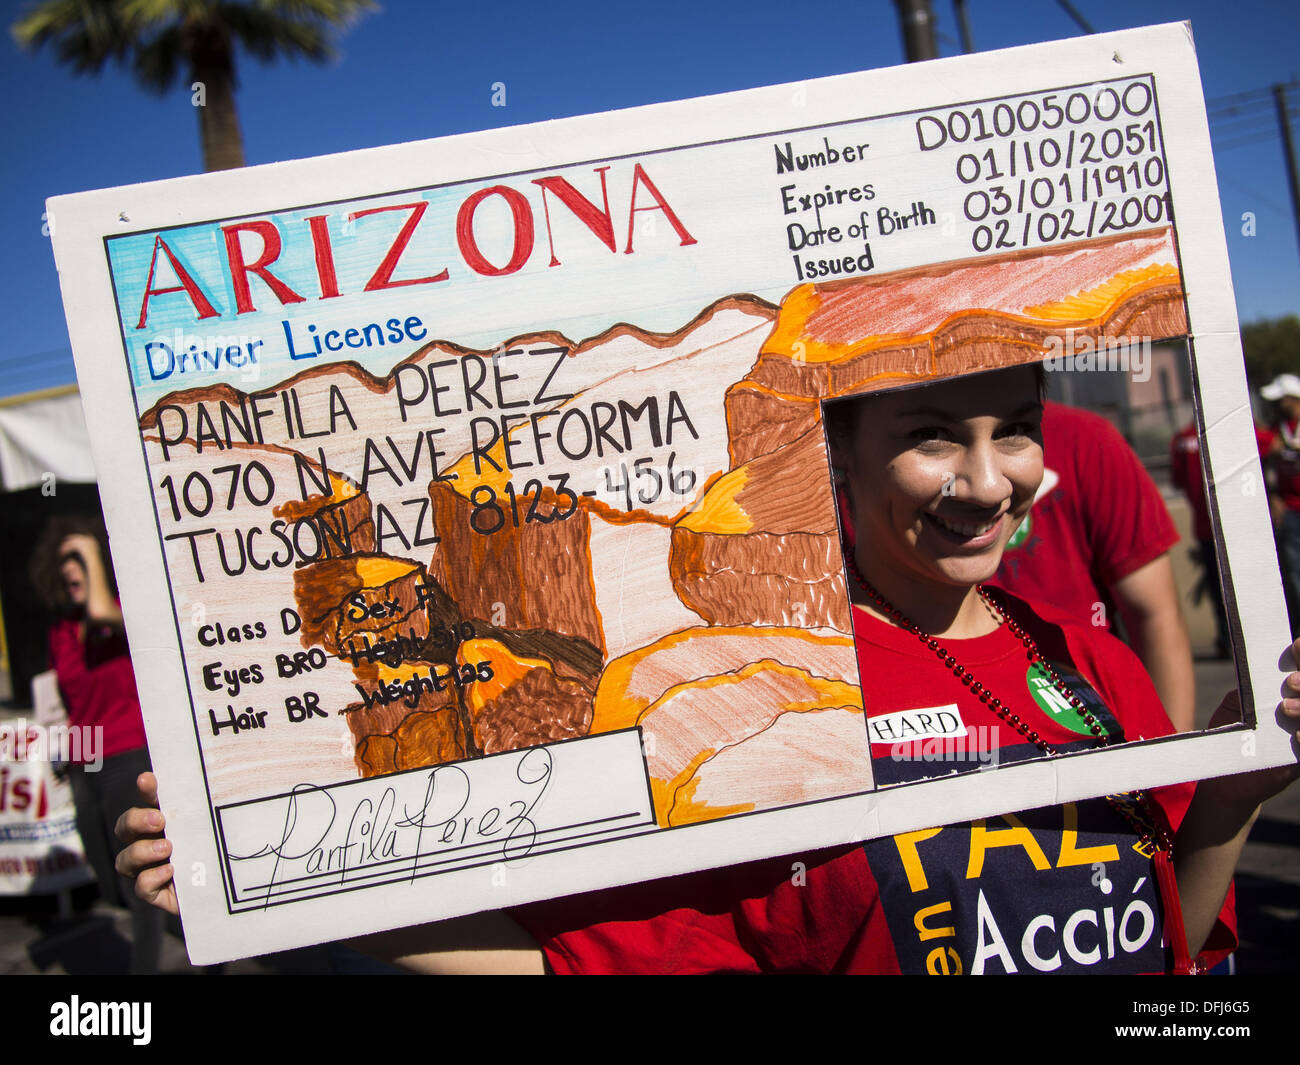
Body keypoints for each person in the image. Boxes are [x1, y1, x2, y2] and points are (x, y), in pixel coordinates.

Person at [116, 365, 1300, 974]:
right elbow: (578, 967)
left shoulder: (1092, 661)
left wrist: (1236, 799)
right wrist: (279, 875)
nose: (985, 482)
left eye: (1011, 431)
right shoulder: (765, 686)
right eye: (932, 436)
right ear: (836, 452)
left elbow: (1166, 945)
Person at [994, 400, 1195, 731]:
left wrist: (1173, 768)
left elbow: (1154, 613)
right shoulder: (890, 446)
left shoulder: (1085, 438)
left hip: (1087, 721)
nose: (987, 486)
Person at [31, 514, 164, 974]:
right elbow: (66, 704)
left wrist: (89, 547)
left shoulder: (121, 613)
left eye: (79, 562)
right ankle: (193, 928)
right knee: (109, 884)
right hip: (85, 759)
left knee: (138, 884)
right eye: (63, 562)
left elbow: (101, 610)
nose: (72, 571)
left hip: (129, 754)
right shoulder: (60, 632)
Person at [1260, 373, 1300, 637]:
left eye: (1280, 400)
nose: (1276, 405)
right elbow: (1267, 465)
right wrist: (1273, 496)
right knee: (1295, 570)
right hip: (1290, 510)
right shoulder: (1275, 429)